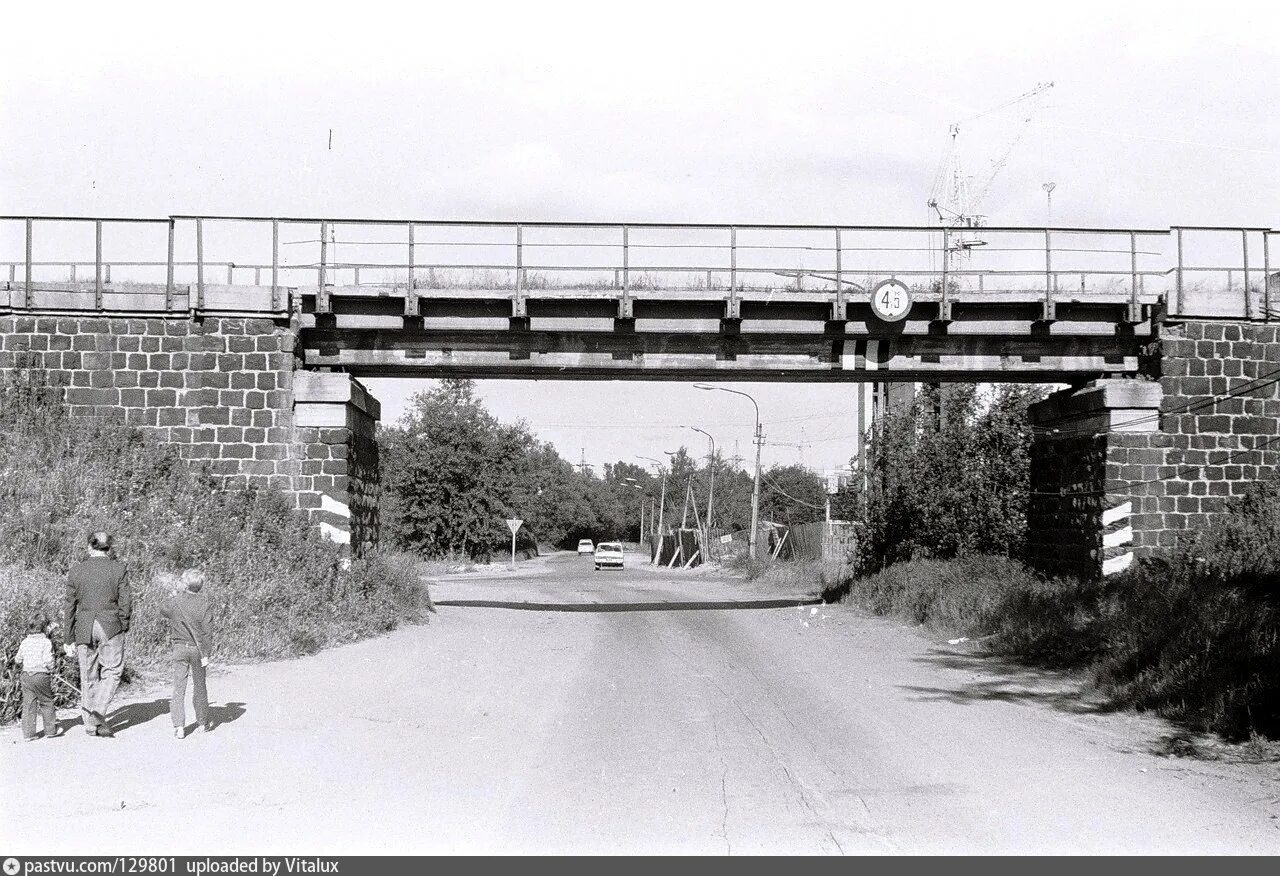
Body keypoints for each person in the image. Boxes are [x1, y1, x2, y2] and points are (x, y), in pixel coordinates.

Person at [63, 530, 131, 738]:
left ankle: (90, 725)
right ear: (109, 548)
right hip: (110, 625)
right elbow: (125, 602)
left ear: (89, 546)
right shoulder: (119, 569)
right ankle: (98, 712)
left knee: (87, 674)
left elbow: (69, 606)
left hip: (83, 626)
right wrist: (124, 624)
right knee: (112, 670)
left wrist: (68, 637)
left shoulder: (76, 571)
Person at [160, 568, 214, 738]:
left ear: (184, 584)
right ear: (201, 586)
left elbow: (163, 610)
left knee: (179, 687)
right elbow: (207, 632)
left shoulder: (176, 602)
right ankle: (202, 723)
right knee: (200, 686)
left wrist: (175, 594)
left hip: (179, 648)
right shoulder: (205, 604)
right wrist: (206, 653)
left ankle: (179, 726)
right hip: (198, 650)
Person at [13, 613, 59, 741]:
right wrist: (52, 668)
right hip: (41, 675)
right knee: (47, 701)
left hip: (27, 675)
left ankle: (28, 734)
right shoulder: (46, 642)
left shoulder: (25, 642)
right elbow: (48, 659)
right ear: (45, 628)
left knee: (28, 704)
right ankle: (50, 730)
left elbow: (18, 659)